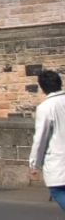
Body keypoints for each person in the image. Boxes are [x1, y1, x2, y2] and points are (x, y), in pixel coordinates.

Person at [31, 69, 65, 209]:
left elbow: (40, 138)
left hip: (59, 159)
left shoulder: (45, 107)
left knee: (57, 190)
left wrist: (34, 163)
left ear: (42, 87)